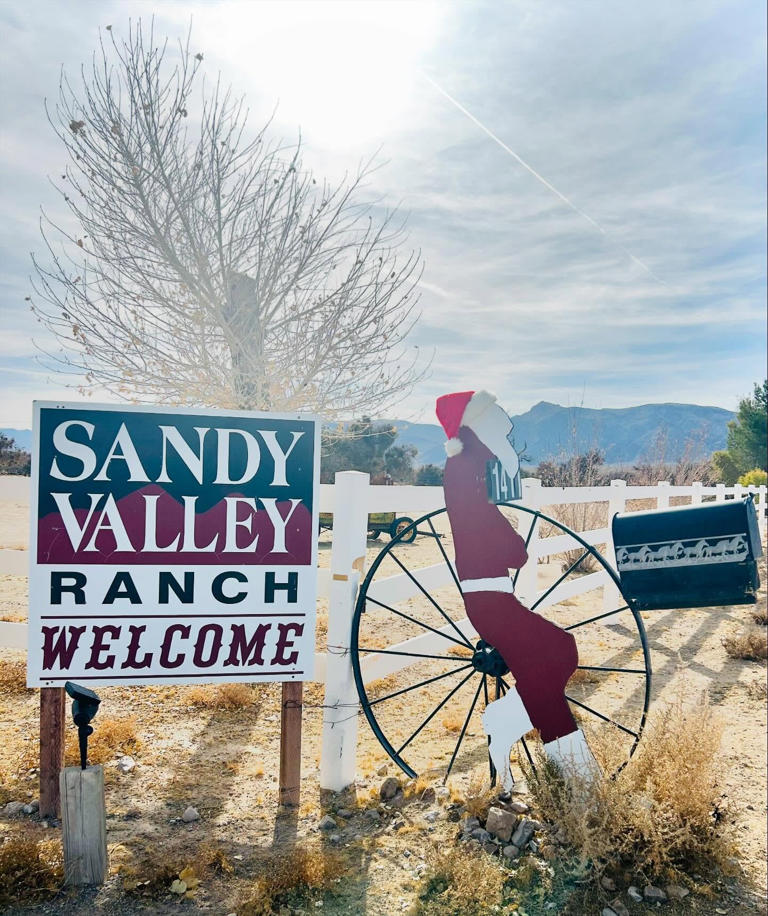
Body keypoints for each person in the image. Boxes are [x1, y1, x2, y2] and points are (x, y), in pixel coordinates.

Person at [436, 390, 597, 787]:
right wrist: (513, 544)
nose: (505, 424)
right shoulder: (466, 470)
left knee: (556, 654)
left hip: (492, 596)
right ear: (477, 425)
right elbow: (510, 549)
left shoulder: (470, 467)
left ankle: (507, 723)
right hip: (488, 600)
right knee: (557, 653)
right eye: (495, 417)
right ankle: (579, 781)